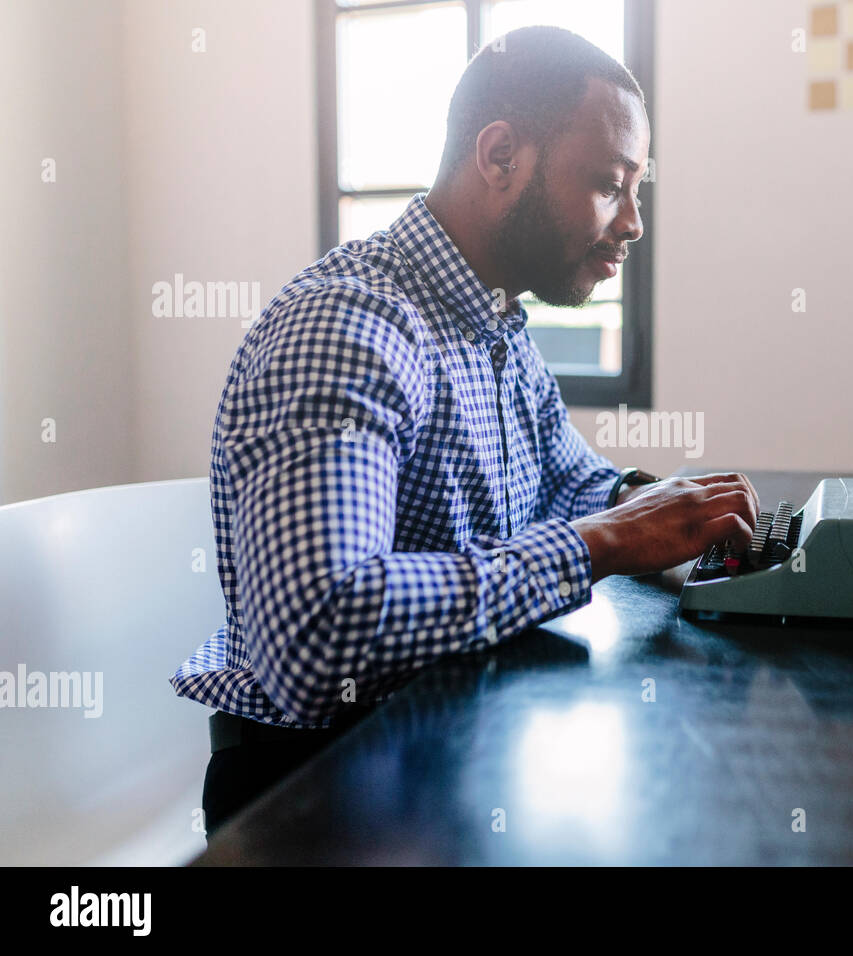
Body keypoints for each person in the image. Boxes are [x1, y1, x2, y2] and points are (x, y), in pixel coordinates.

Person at [170, 25, 759, 838]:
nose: (632, 223)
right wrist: (601, 543)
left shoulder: (495, 320)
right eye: (608, 184)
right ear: (500, 155)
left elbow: (569, 478)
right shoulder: (348, 325)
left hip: (449, 758)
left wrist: (654, 505)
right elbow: (320, 636)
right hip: (318, 794)